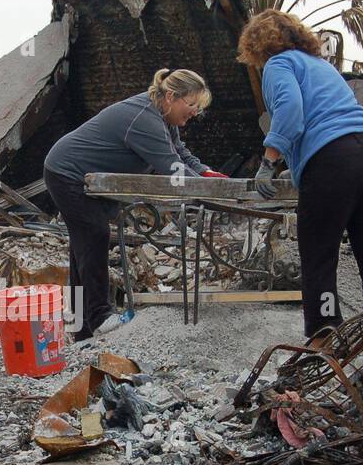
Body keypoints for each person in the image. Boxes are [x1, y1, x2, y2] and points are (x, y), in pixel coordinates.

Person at [237, 9, 363, 349]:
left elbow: (290, 111)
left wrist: (269, 160)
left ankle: (324, 336)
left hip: (334, 160)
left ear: (257, 46)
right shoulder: (322, 66)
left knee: (319, 254)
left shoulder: (279, 64)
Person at [43, 69, 227, 340]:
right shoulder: (145, 119)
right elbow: (171, 167)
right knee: (94, 235)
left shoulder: (163, 117)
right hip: (67, 173)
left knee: (82, 247)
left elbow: (180, 152)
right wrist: (208, 189)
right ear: (171, 96)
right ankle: (100, 316)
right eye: (191, 105)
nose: (194, 113)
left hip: (83, 176)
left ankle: (80, 327)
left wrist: (206, 173)